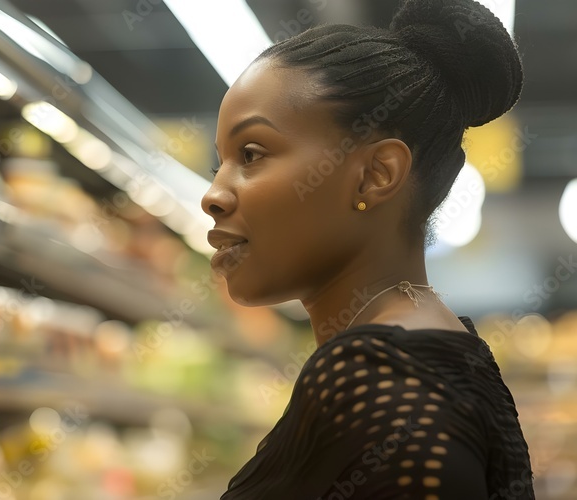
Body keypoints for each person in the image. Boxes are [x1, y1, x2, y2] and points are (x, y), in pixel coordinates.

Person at [202, 0, 533, 498]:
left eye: (251, 154)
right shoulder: (433, 354)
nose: (213, 196)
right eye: (219, 164)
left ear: (377, 175)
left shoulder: (380, 381)